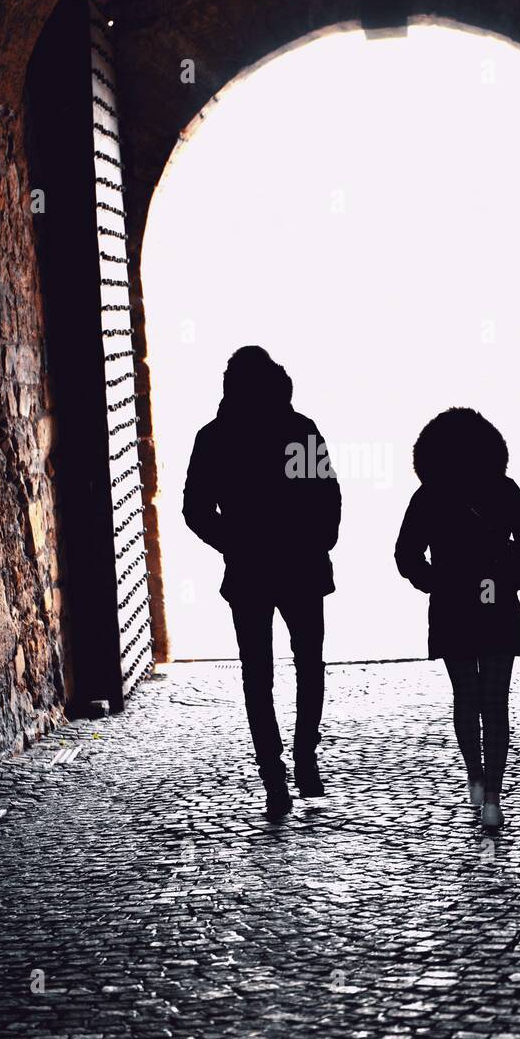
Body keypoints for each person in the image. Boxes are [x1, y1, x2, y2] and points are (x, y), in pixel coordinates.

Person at [183, 347, 341, 820]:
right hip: (301, 565)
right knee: (309, 664)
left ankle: (274, 776)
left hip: (250, 570)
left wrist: (233, 542)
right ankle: (304, 757)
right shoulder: (297, 430)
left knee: (259, 675)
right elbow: (326, 495)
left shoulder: (215, 438)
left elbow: (195, 511)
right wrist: (317, 541)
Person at [395, 408, 520, 830]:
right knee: (495, 702)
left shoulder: (428, 496)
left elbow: (406, 556)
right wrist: (513, 578)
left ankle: (475, 779)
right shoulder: (502, 489)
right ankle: (494, 794)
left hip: (452, 607)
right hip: (498, 603)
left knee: (465, 696)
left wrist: (435, 584)